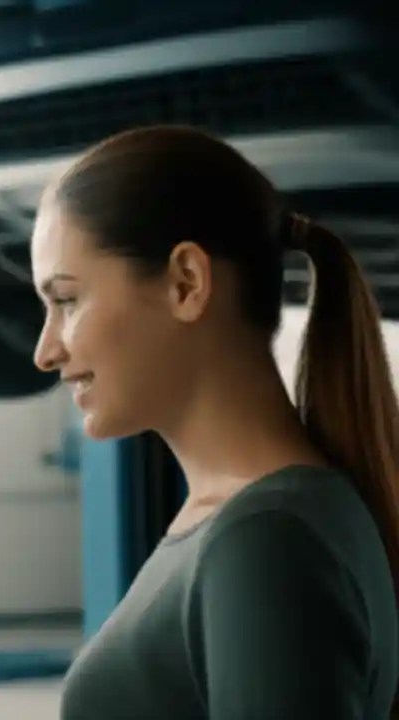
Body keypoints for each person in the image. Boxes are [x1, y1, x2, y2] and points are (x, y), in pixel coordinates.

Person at [30, 124, 399, 718]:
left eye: (67, 300)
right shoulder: (243, 522)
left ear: (187, 283)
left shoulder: (267, 537)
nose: (45, 351)